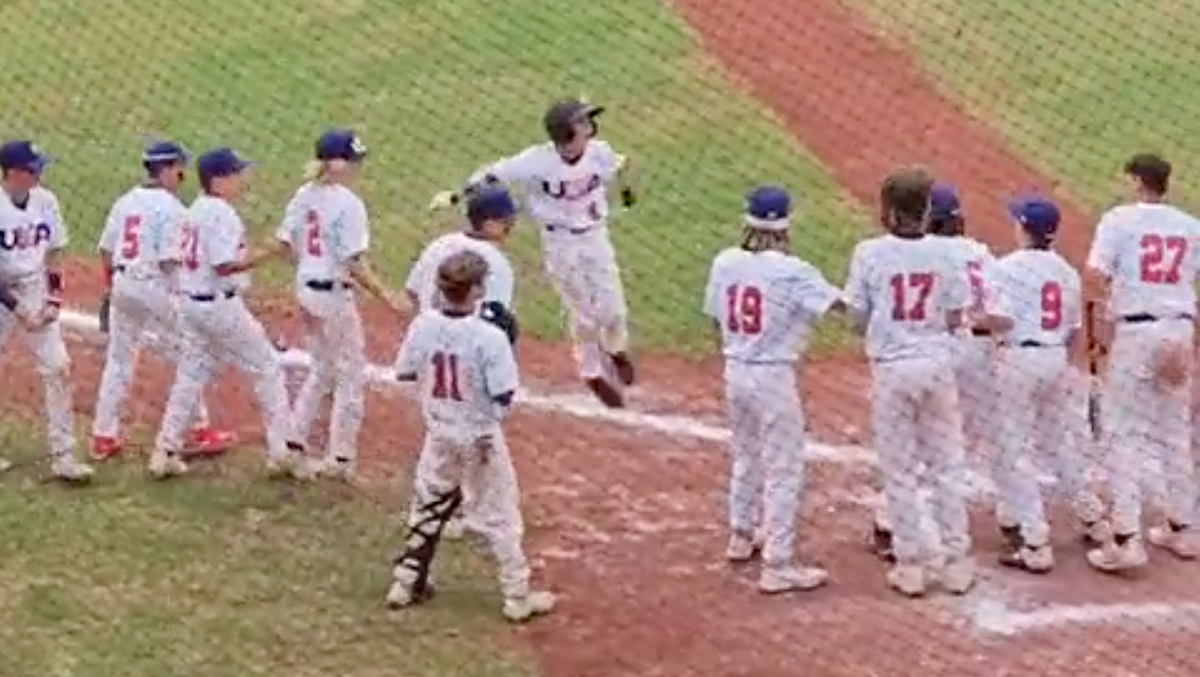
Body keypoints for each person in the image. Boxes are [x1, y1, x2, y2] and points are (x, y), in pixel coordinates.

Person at [429, 98, 636, 408]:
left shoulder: (599, 152)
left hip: (595, 236)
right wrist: (459, 194)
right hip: (560, 243)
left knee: (614, 310)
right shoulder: (536, 162)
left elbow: (617, 166)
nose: (590, 125)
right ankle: (591, 372)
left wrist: (626, 191)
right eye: (583, 122)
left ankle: (616, 349)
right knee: (583, 313)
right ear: (567, 133)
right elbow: (493, 174)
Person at [385, 250, 554, 623]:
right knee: (502, 516)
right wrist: (505, 345)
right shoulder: (489, 337)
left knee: (427, 505)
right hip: (480, 438)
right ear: (476, 289)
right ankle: (517, 594)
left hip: (439, 432)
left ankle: (406, 581)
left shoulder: (423, 325)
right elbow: (504, 394)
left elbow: (405, 373)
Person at [843, 166, 974, 597]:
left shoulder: (869, 253)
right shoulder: (946, 254)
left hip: (892, 369)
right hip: (937, 364)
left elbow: (856, 317)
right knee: (946, 468)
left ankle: (912, 565)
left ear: (888, 210)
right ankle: (956, 563)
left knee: (899, 471)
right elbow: (957, 316)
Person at [702, 185, 839, 594]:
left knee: (746, 455)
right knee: (784, 467)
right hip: (774, 377)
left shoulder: (725, 261)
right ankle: (778, 563)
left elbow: (714, 319)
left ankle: (741, 535)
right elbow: (841, 310)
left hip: (735, 370)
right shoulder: (794, 271)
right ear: (785, 223)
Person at [148, 147, 306, 480]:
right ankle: (283, 452)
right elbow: (224, 265)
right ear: (218, 180)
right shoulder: (220, 213)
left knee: (191, 373)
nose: (242, 180)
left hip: (192, 303)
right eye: (236, 174)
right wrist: (271, 253)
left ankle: (165, 450)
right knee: (266, 367)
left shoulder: (195, 210)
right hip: (218, 305)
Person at [971, 196, 1106, 573]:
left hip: (1019, 361)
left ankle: (1034, 540)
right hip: (1055, 359)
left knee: (1012, 450)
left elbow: (1000, 321)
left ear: (1024, 228)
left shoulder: (1006, 268)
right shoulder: (1065, 271)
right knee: (1059, 443)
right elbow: (1074, 331)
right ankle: (1093, 518)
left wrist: (968, 321)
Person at [1084, 152, 1200, 572]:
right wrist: (1188, 341)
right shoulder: (1191, 226)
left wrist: (1101, 331)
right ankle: (1185, 529)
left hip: (1136, 332)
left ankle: (1127, 538)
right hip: (1180, 329)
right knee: (1173, 431)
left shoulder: (1119, 220)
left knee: (1122, 433)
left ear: (1136, 182)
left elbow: (1095, 276)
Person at [92, 140, 237, 461]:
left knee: (118, 361)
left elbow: (106, 249)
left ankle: (104, 434)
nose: (182, 175)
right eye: (179, 169)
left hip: (122, 282)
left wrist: (111, 288)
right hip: (153, 286)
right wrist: (181, 298)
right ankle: (199, 430)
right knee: (192, 354)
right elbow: (171, 262)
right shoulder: (172, 209)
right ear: (168, 169)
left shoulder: (125, 201)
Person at [274, 129, 401, 482]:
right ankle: (341, 457)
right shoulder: (348, 203)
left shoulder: (303, 195)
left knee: (322, 370)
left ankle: (292, 444)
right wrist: (387, 296)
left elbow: (286, 245)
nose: (356, 166)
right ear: (335, 163)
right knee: (349, 376)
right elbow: (355, 264)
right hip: (331, 297)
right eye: (351, 159)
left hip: (306, 290)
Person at [404, 183, 521, 540]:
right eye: (505, 220)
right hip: (470, 362)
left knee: (439, 438)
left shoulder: (439, 246)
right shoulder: (493, 263)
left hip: (432, 359)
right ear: (488, 223)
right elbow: (494, 320)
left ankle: (432, 515)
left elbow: (411, 292)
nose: (511, 226)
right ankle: (477, 513)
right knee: (477, 439)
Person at [0, 140, 92, 481]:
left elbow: (54, 252)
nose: (40, 173)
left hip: (36, 286)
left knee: (58, 367)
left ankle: (64, 456)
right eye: (33, 168)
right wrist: (19, 309)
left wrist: (53, 300)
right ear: (12, 173)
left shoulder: (45, 201)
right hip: (3, 292)